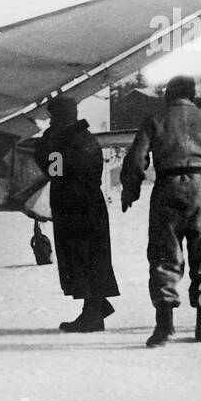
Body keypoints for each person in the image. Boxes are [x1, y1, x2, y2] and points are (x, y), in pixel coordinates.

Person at [120, 76, 201, 346]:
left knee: (164, 257)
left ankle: (164, 325)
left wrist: (131, 190)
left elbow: (137, 159)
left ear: (168, 95)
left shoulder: (155, 120)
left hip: (167, 188)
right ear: (192, 95)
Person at [32, 95, 119, 331]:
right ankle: (96, 306)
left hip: (74, 206)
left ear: (60, 116)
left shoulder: (65, 140)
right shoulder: (84, 136)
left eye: (52, 117)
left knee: (81, 259)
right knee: (91, 257)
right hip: (88, 204)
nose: (50, 123)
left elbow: (55, 170)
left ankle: (93, 315)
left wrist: (44, 146)